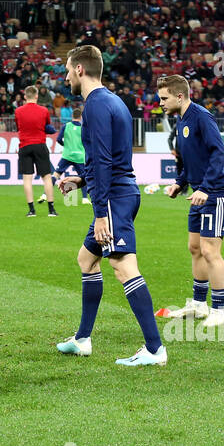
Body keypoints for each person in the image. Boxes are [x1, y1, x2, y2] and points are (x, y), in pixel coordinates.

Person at [54, 46, 166, 366]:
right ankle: (82, 339)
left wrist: (100, 213)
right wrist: (81, 182)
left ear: (79, 70)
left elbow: (104, 159)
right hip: (119, 193)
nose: (65, 77)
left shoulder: (96, 106)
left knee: (122, 267)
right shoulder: (112, 100)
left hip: (115, 200)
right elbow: (110, 159)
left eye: (67, 70)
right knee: (86, 260)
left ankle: (155, 349)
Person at [158, 74, 224, 329]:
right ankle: (198, 304)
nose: (160, 103)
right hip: (199, 193)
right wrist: (179, 183)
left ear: (180, 96)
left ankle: (219, 309)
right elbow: (188, 163)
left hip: (216, 192)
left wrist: (205, 187)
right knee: (195, 247)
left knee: (211, 250)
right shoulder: (181, 121)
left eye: (164, 98)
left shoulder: (201, 116)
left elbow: (218, 152)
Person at [15, 85, 58, 217]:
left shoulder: (18, 111)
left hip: (25, 145)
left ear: (25, 96)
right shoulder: (44, 110)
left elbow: (19, 127)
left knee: (27, 179)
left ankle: (31, 210)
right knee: (46, 177)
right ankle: (51, 209)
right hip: (40, 144)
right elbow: (47, 126)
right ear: (37, 96)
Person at [43, 105, 87, 205]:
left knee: (55, 174)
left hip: (67, 155)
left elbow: (58, 139)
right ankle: (85, 198)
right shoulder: (83, 128)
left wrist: (65, 145)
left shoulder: (66, 126)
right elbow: (87, 141)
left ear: (72, 116)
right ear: (80, 117)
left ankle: (45, 194)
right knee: (83, 177)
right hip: (79, 156)